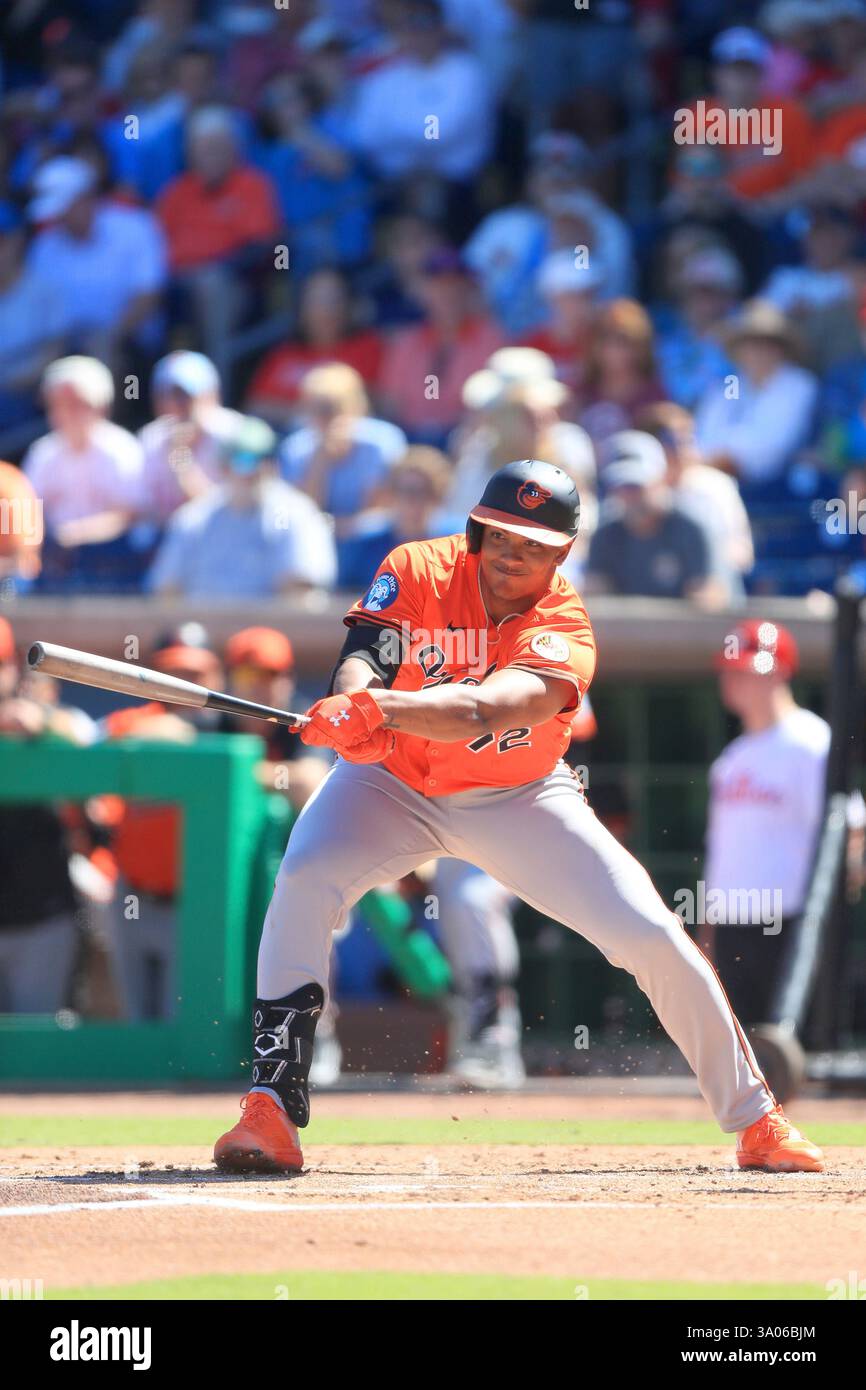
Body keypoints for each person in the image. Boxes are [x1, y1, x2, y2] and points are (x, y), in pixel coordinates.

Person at [213, 457, 824, 1175]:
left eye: (534, 545)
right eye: (501, 536)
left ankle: (757, 1118)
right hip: (388, 779)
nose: (514, 556)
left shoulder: (564, 621)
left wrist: (386, 708)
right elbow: (367, 656)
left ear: (562, 553)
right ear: (475, 530)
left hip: (517, 795)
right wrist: (353, 703)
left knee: (651, 932)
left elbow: (488, 706)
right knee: (305, 875)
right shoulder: (418, 566)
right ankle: (270, 1109)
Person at [702, 619, 866, 1025]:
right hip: (731, 922)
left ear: (779, 671)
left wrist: (828, 914)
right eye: (729, 671)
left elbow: (851, 830)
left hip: (789, 921)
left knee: (795, 1050)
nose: (734, 680)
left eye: (745, 670)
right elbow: (720, 852)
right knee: (742, 1053)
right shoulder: (733, 757)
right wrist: (707, 932)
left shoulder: (810, 741)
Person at [147, 415, 336, 598]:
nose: (254, 470)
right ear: (224, 466)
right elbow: (166, 591)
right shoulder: (194, 517)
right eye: (244, 461)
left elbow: (302, 593)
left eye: (264, 459)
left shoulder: (297, 514)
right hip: (203, 625)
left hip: (270, 628)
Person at [0, 616, 86, 1012]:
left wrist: (45, 724)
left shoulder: (45, 720)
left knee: (38, 1049)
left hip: (42, 917)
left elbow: (92, 739)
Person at [26, 156, 167, 368]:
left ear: (86, 199)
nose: (59, 219)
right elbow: (38, 305)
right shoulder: (44, 246)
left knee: (104, 353)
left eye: (64, 210)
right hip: (64, 342)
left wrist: (112, 334)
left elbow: (149, 295)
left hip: (128, 338)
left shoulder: (135, 227)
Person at [584, 430, 728, 607]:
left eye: (637, 485)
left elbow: (712, 597)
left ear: (661, 478)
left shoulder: (692, 529)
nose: (630, 495)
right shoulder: (605, 535)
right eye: (622, 486)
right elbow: (594, 593)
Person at [378, 249, 503, 444]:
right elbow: (391, 405)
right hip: (411, 440)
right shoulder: (406, 343)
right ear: (425, 292)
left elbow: (495, 406)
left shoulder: (491, 341)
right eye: (439, 286)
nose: (448, 294)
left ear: (469, 291)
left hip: (466, 439)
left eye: (456, 286)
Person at [22, 356, 146, 550]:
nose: (65, 413)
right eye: (58, 404)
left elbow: (132, 513)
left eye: (75, 404)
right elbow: (26, 513)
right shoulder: (42, 453)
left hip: (117, 559)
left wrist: (78, 534)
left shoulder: (123, 449)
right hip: (54, 560)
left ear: (101, 406)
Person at [694, 300, 819, 487]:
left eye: (767, 343)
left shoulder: (799, 385)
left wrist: (719, 459)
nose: (758, 351)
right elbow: (706, 433)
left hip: (774, 488)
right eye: (750, 343)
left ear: (780, 349)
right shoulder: (731, 384)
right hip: (715, 479)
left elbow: (775, 446)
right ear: (738, 350)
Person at [246, 268, 386, 427]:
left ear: (349, 305)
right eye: (316, 300)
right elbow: (257, 407)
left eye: (334, 300)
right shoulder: (283, 354)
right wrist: (301, 416)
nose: (325, 310)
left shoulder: (368, 347)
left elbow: (371, 405)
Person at [279, 363, 405, 535]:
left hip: (371, 538)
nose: (325, 418)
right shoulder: (296, 449)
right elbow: (301, 513)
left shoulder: (383, 442)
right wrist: (320, 461)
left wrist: (338, 528)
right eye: (315, 409)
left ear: (356, 406)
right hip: (318, 535)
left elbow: (383, 510)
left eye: (332, 408)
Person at [138, 351, 243, 524]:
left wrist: (181, 460)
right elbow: (141, 511)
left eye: (185, 396)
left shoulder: (235, 436)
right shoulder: (150, 438)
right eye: (167, 395)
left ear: (212, 395)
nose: (176, 405)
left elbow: (230, 515)